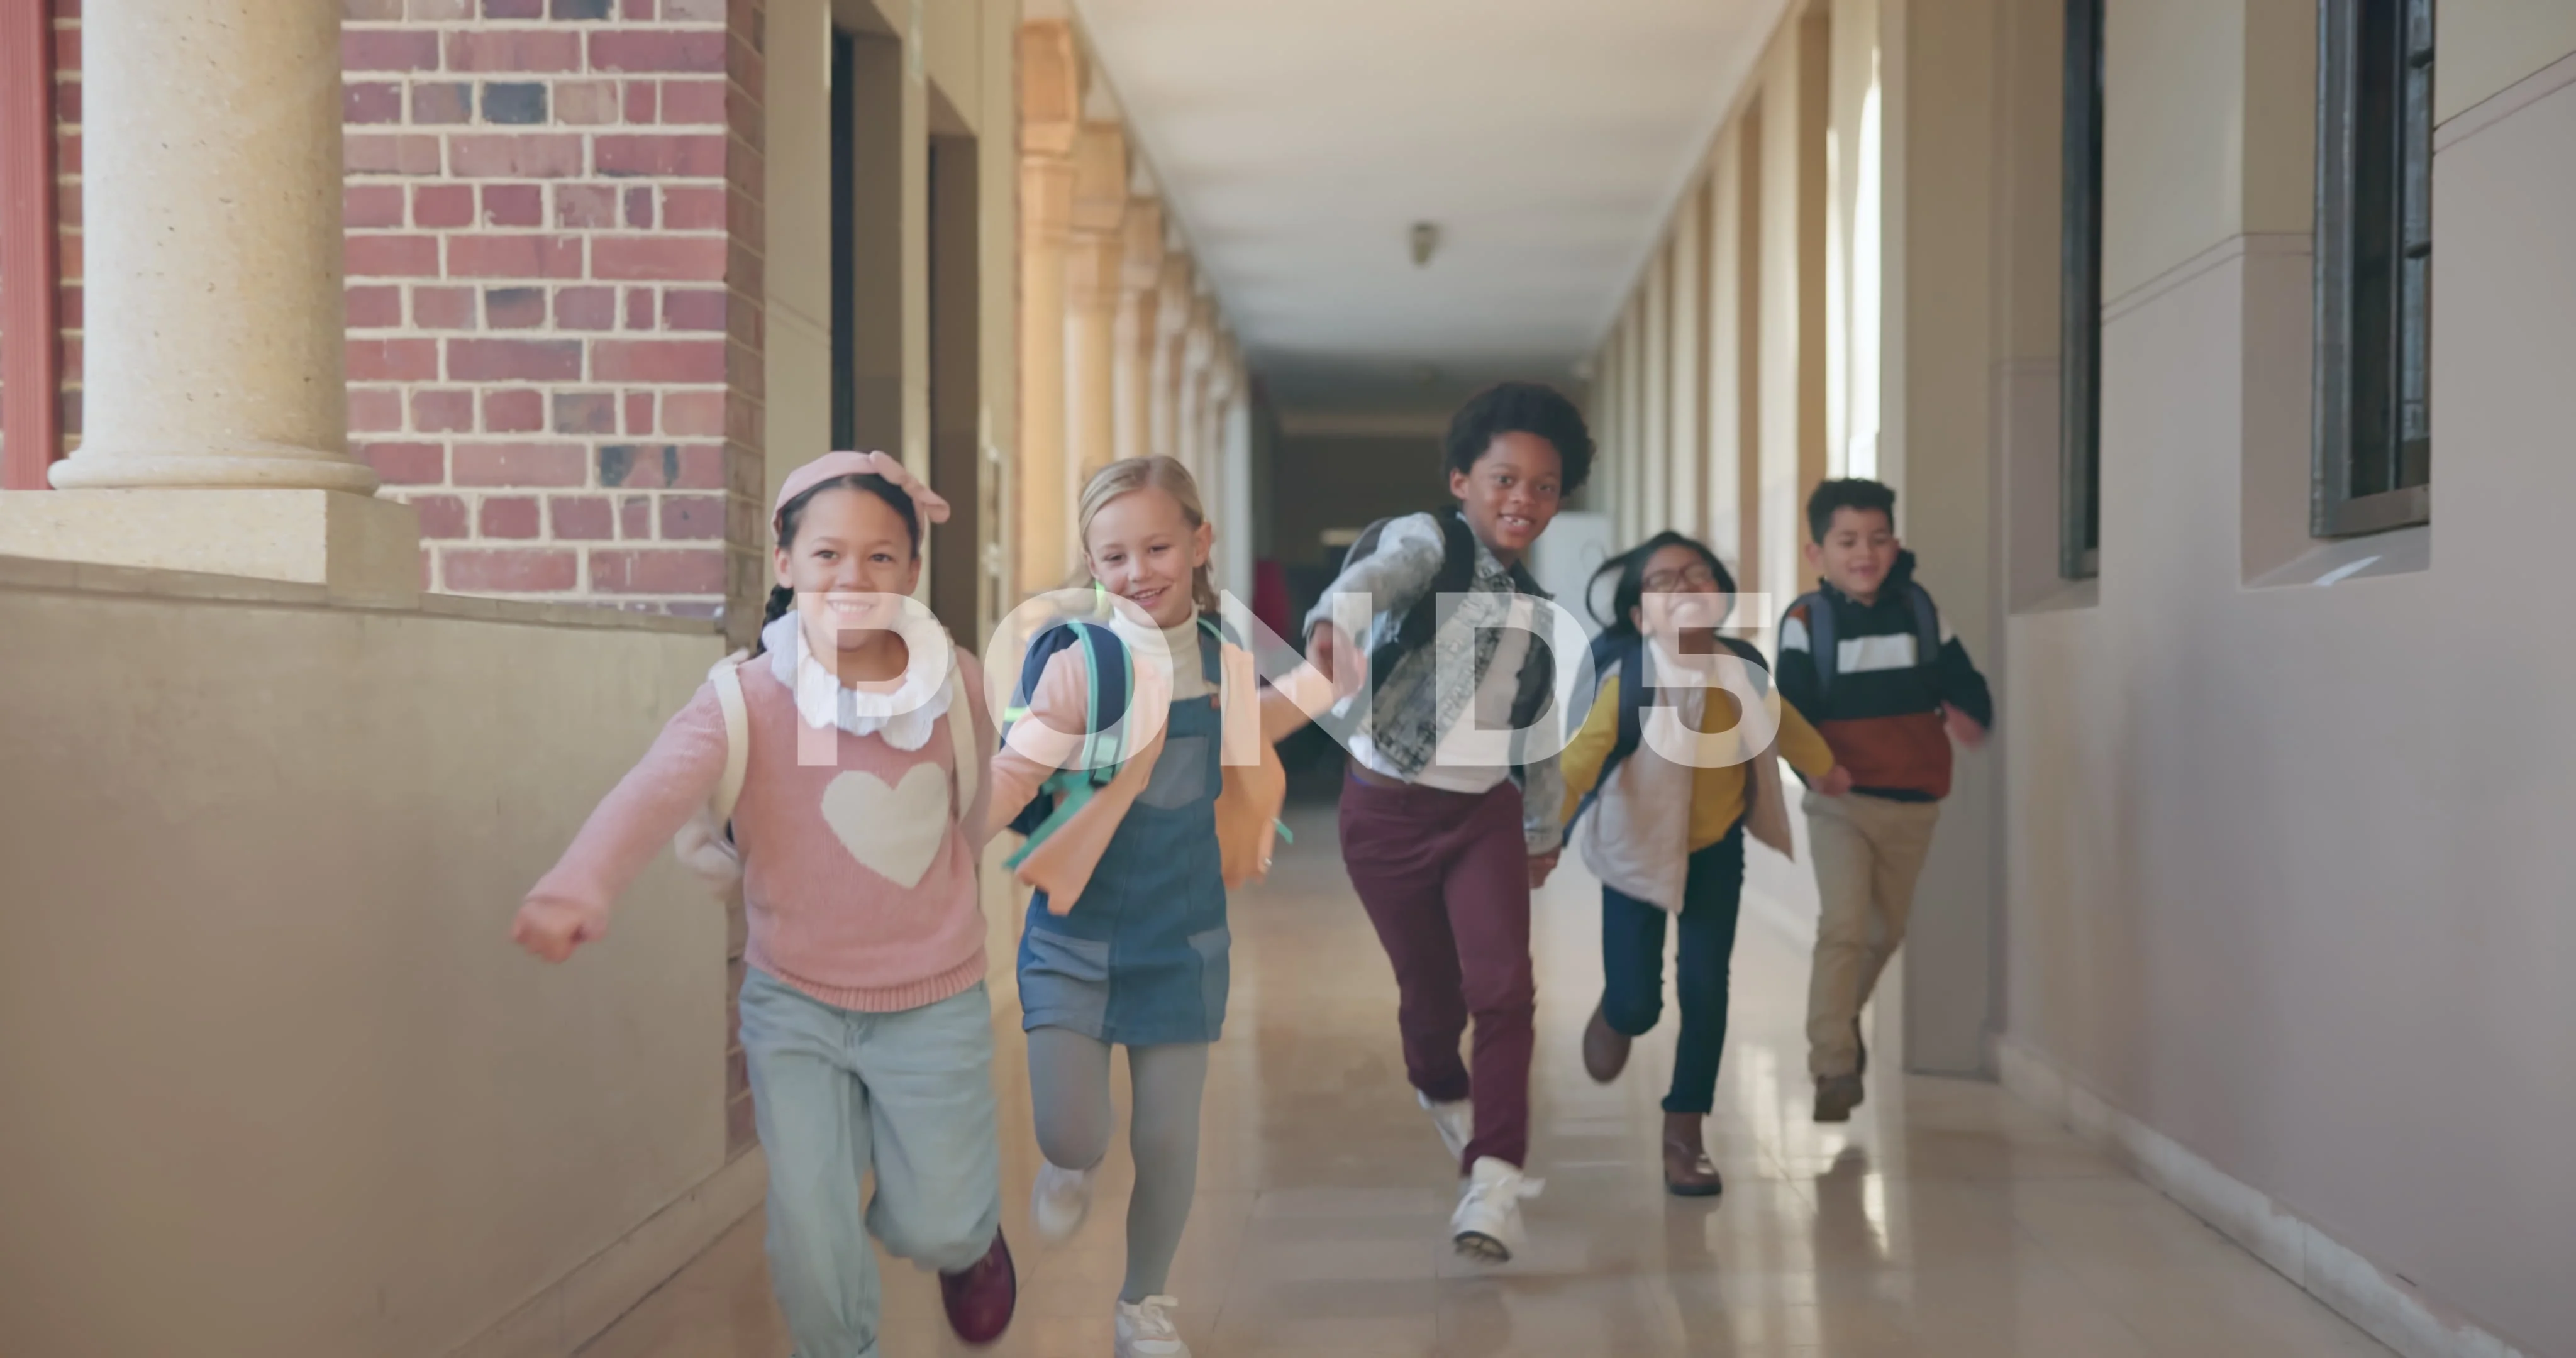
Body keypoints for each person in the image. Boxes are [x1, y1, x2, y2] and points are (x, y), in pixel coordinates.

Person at [510, 451, 1018, 1357]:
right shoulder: (742, 700)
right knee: (812, 1231)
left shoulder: (959, 685)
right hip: (795, 1005)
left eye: (880, 557)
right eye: (826, 555)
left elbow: (974, 812)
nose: (852, 579)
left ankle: (966, 1242)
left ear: (911, 570)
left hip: (935, 996)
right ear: (784, 563)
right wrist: (578, 885)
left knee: (942, 1216)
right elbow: (653, 790)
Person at [986, 456, 1306, 1358]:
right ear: (1093, 567)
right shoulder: (1081, 661)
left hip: (1185, 939)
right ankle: (1068, 1165)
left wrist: (1326, 685)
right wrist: (950, 833)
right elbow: (1020, 768)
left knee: (1168, 1140)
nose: (1138, 572)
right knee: (1074, 1132)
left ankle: (1143, 1304)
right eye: (1114, 556)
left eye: (1158, 546)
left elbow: (1250, 734)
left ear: (1200, 544)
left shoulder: (1223, 661)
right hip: (1074, 937)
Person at [1302, 380, 1588, 1263]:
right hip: (1385, 813)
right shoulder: (1428, 541)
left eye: (1545, 487)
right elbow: (1371, 579)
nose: (1524, 502)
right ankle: (1439, 1085)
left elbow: (1538, 735)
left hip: (1485, 817)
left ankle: (1495, 1181)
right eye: (1506, 479)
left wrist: (1541, 831)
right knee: (1432, 1000)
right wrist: (1330, 624)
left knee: (1505, 990)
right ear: (1462, 479)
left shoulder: (1542, 615)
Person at [1559, 532, 1848, 1195]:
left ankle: (1684, 1133)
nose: (1682, 587)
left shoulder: (1741, 673)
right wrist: (1538, 827)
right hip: (1634, 850)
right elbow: (1578, 762)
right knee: (1639, 1002)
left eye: (1696, 576)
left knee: (1704, 988)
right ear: (1639, 617)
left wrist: (1824, 768)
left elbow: (1784, 724)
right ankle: (1617, 1013)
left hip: (1715, 849)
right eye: (1661, 582)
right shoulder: (1628, 681)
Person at [1776, 478, 1994, 1122]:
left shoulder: (1921, 613)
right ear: (1818, 554)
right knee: (1843, 927)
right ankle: (1832, 1066)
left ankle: (1840, 1024)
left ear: (1894, 545)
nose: (1863, 553)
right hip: (1840, 801)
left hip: (1913, 800)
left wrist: (1972, 715)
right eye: (1847, 541)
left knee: (1883, 932)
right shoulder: (1806, 622)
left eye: (1876, 539)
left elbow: (1964, 681)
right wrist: (1815, 770)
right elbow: (1785, 712)